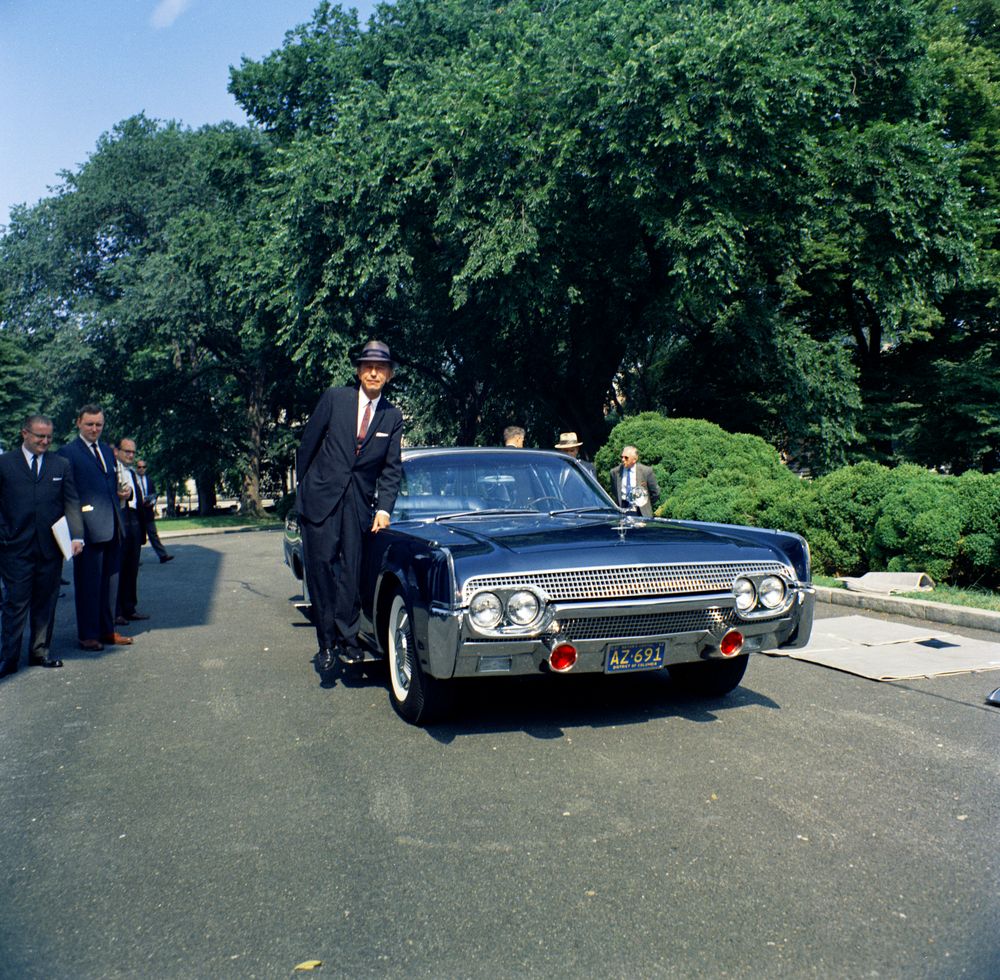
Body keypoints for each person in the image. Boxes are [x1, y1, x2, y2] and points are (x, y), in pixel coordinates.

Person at [296, 340, 404, 670]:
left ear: (388, 374)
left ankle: (348, 638)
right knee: (323, 571)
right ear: (358, 371)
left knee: (352, 575)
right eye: (368, 366)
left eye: (380, 368)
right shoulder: (335, 399)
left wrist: (383, 509)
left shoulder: (392, 416)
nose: (374, 372)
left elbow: (391, 468)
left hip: (358, 505)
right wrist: (305, 494)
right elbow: (307, 446)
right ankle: (327, 644)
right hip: (320, 502)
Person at [0, 414, 85, 677]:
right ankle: (8, 659)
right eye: (39, 436)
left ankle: (39, 652)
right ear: (24, 433)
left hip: (50, 548)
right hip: (14, 547)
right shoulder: (4, 464)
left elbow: (71, 502)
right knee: (15, 604)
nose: (45, 441)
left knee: (45, 602)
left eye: (49, 437)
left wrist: (77, 536)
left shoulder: (61, 464)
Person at [57, 405, 133, 651]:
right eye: (89, 424)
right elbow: (68, 496)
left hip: (113, 526)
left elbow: (109, 487)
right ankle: (88, 634)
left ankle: (107, 629)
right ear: (79, 423)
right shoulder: (67, 452)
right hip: (88, 528)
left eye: (98, 424)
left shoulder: (108, 451)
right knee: (89, 585)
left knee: (111, 584)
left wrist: (124, 494)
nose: (94, 429)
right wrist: (75, 531)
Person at [112, 438, 149, 625]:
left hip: (134, 520)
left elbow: (137, 498)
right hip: (120, 520)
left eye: (133, 452)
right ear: (117, 451)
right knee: (119, 567)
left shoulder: (133, 474)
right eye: (127, 451)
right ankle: (117, 611)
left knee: (132, 567)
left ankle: (129, 608)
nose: (131, 455)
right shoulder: (112, 471)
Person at [134, 459, 173, 562]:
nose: (141, 469)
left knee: (153, 534)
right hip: (137, 513)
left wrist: (151, 502)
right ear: (136, 468)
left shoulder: (150, 480)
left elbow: (154, 494)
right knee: (136, 537)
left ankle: (163, 556)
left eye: (143, 467)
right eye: (139, 467)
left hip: (148, 511)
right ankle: (135, 560)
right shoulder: (133, 480)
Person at [611, 445, 660, 517]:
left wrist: (645, 504)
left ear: (634, 459)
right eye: (622, 457)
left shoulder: (646, 471)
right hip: (622, 510)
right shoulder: (615, 472)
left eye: (626, 457)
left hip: (640, 512)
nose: (623, 459)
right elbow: (614, 491)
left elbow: (655, 492)